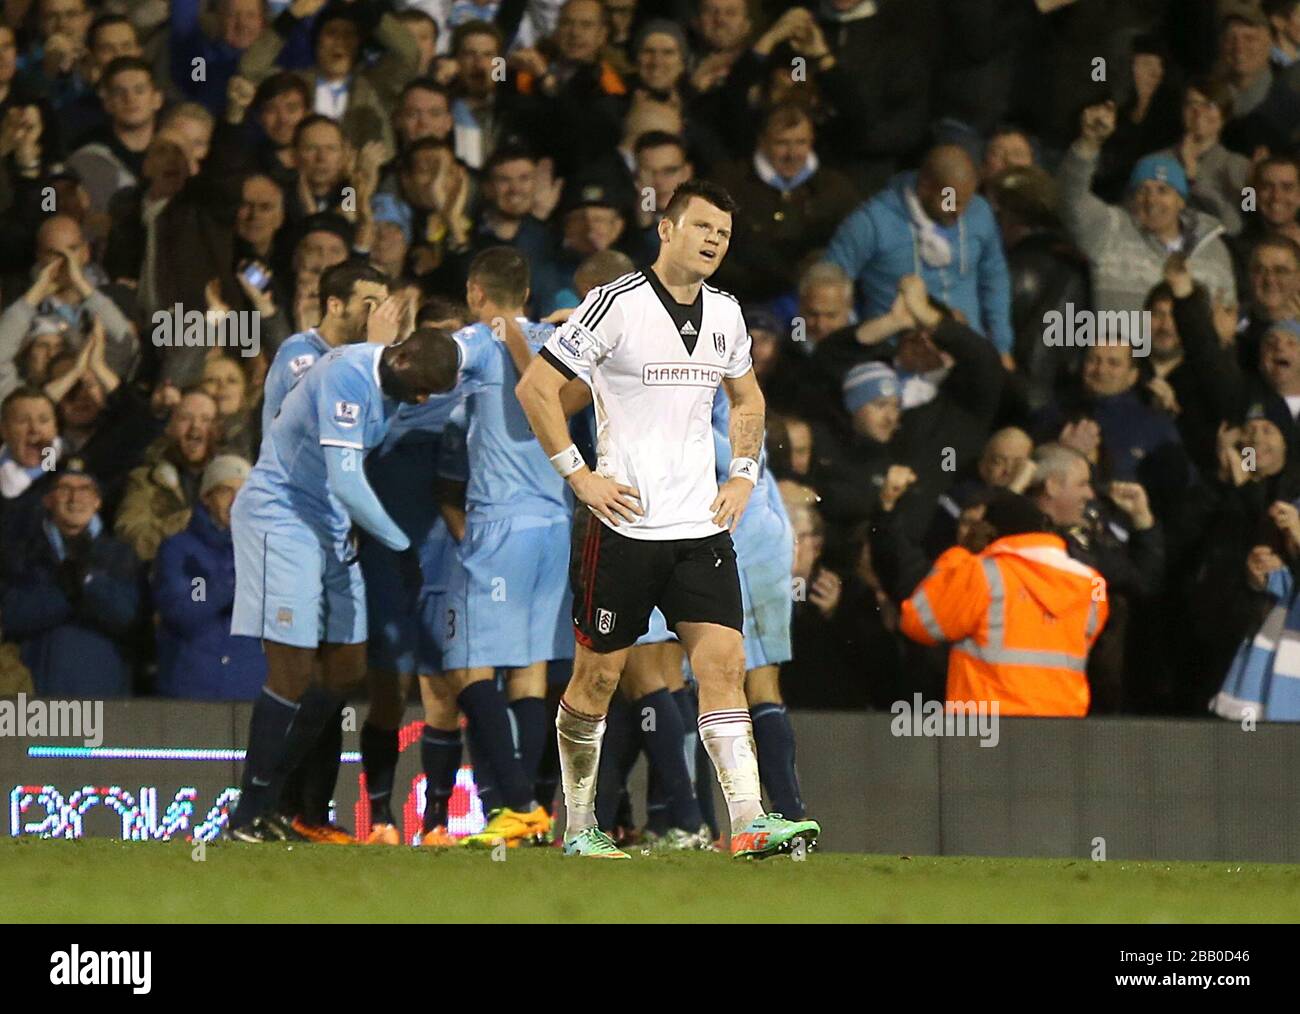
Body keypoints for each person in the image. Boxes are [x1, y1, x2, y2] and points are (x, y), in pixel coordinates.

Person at [516, 178, 821, 859]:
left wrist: (742, 475)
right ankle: (580, 826)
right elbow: (536, 387)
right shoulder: (615, 304)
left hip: (700, 531)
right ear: (666, 229)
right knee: (597, 679)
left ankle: (748, 821)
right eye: (703, 227)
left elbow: (747, 399)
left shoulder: (727, 313)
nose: (714, 240)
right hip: (622, 528)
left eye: (724, 233)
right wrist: (579, 476)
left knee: (725, 665)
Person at [226, 325, 461, 842]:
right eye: (423, 389)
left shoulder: (396, 384)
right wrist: (401, 547)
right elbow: (348, 480)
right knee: (291, 670)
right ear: (402, 361)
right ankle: (248, 814)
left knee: (346, 667)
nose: (422, 400)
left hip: (331, 525)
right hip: (281, 516)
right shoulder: (346, 374)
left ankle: (274, 801)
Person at [430, 247, 580, 848]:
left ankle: (518, 804)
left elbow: (438, 366)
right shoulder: (560, 340)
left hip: (499, 524)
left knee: (463, 663)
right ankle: (530, 809)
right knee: (530, 671)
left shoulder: (476, 339)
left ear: (475, 292)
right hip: (555, 525)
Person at [901, 491, 1109, 717]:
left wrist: (961, 555)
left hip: (984, 725)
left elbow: (918, 621)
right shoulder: (1093, 583)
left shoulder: (981, 573)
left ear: (991, 533)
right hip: (1062, 725)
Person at [825, 143, 1013, 361]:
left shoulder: (979, 211)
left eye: (965, 202)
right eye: (951, 202)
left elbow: (995, 278)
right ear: (925, 186)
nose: (959, 212)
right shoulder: (871, 222)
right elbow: (829, 282)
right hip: (894, 356)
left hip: (968, 354)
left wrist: (1002, 346)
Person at [0, 458, 139, 697]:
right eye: (65, 489)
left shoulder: (120, 553)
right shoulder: (23, 552)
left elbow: (128, 618)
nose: (75, 499)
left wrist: (88, 582)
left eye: (85, 489)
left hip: (104, 694)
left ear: (97, 501)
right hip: (36, 693)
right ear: (47, 499)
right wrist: (67, 593)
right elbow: (12, 616)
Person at [153, 454, 265, 700]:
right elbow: (185, 610)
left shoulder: (270, 553)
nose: (236, 501)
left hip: (250, 690)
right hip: (191, 689)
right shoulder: (182, 551)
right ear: (206, 497)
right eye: (226, 491)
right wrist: (231, 585)